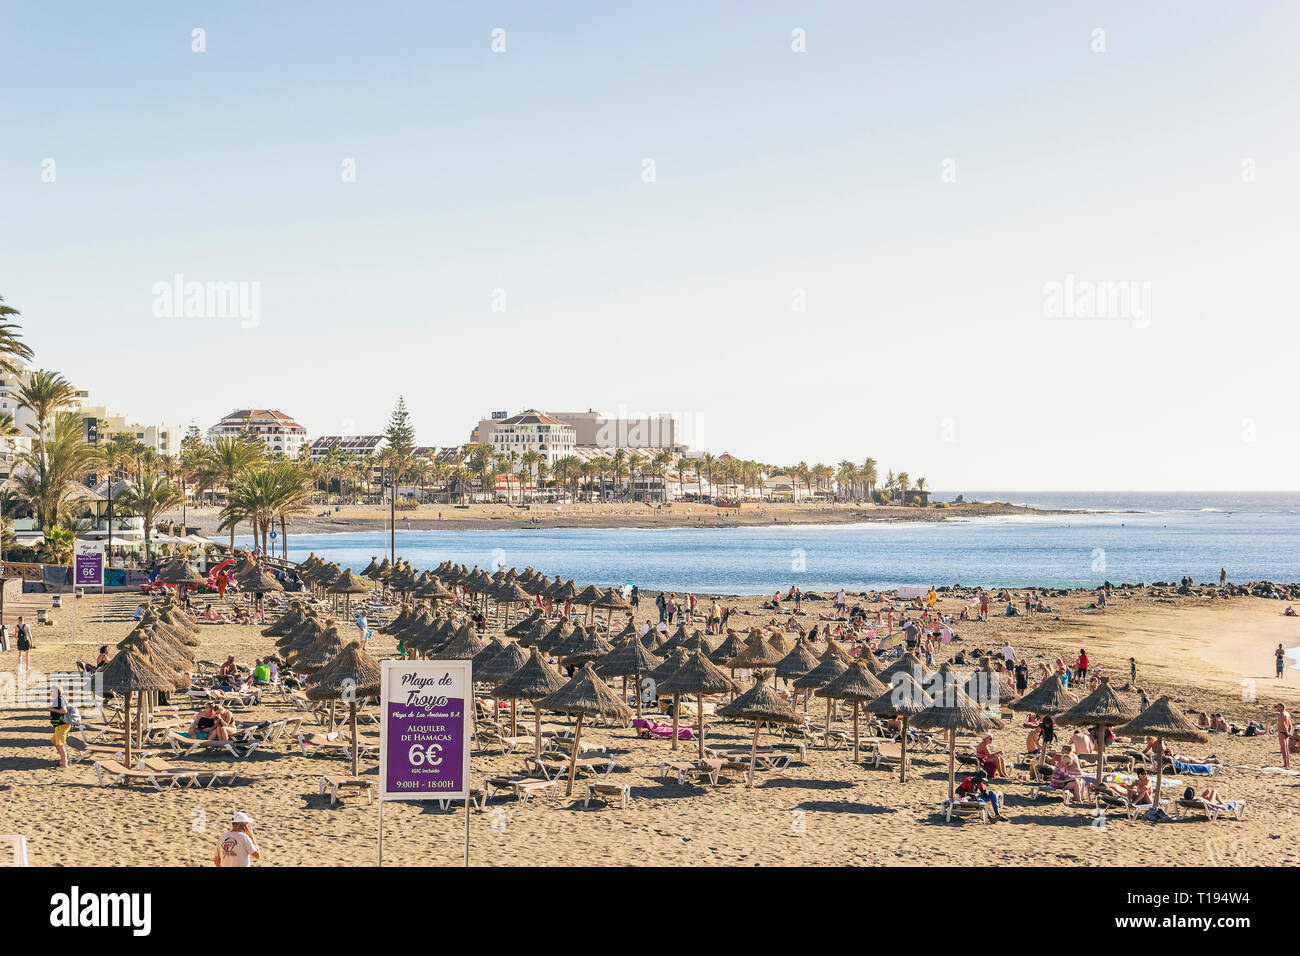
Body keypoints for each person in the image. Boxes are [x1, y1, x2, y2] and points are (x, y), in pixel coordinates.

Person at [50, 684, 72, 769]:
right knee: (54, 741)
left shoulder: (59, 699)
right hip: (59, 726)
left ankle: (64, 763)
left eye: (51, 691)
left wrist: (53, 709)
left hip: (62, 725)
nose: (50, 693)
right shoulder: (59, 699)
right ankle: (63, 760)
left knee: (60, 745)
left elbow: (64, 711)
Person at [1276, 703, 1294, 770]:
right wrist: (1290, 731)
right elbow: (1290, 723)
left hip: (1282, 732)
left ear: (1282, 707)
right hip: (1286, 732)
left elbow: (1284, 725)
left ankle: (1285, 765)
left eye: (1278, 707)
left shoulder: (1281, 715)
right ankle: (1287, 764)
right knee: (1286, 749)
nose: (1277, 709)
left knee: (1283, 749)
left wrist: (1287, 732)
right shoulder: (1287, 714)